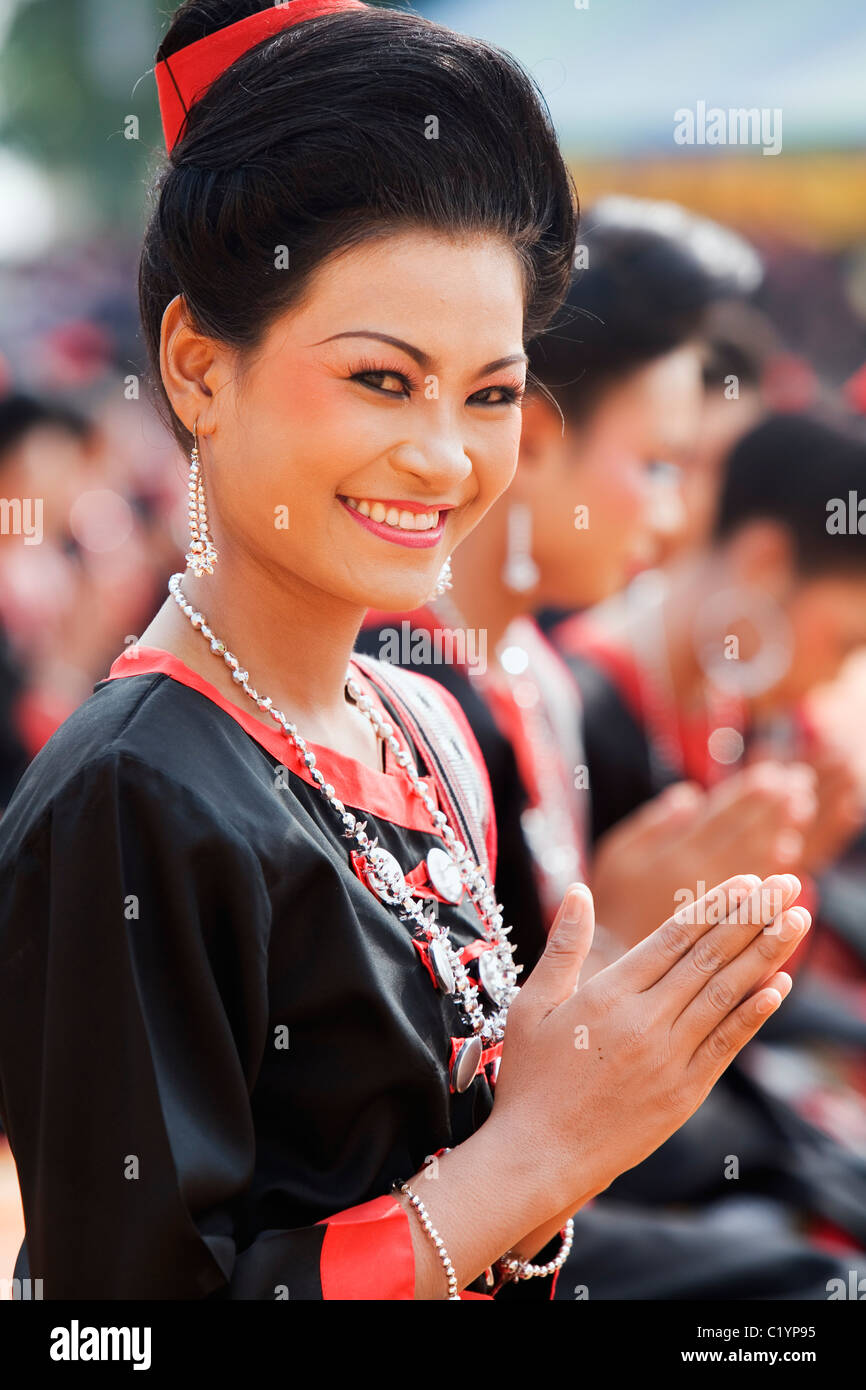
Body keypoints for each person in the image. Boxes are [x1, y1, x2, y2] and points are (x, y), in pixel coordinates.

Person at [0, 1, 812, 1301]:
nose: (445, 456)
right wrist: (540, 1152)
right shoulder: (131, 794)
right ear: (201, 370)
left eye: (489, 392)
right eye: (383, 378)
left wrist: (589, 1049)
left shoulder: (420, 722)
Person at [357, 210, 866, 1290]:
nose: (682, 518)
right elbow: (427, 1132)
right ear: (534, 440)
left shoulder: (530, 678)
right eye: (660, 465)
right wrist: (630, 936)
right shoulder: (398, 694)